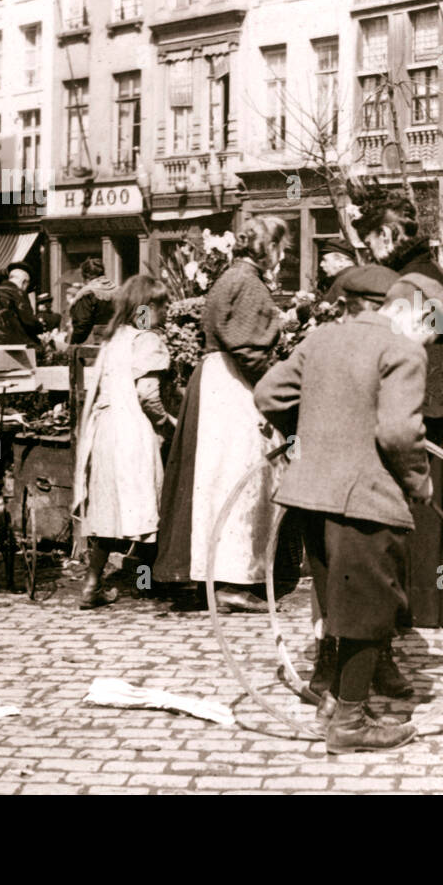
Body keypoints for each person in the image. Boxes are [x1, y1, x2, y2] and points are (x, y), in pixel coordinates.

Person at [254, 274, 443, 753]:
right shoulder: (403, 350)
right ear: (411, 314)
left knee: (339, 607)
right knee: (367, 612)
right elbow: (399, 434)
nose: (428, 341)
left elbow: (269, 395)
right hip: (366, 500)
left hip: (309, 499)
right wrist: (419, 482)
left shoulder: (321, 338)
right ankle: (351, 725)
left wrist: (317, 439)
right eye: (430, 328)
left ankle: (334, 704)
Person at [356, 193, 443, 695]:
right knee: (442, 515)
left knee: (418, 513)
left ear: (387, 237)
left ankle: (416, 605)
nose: (367, 252)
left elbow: (393, 354)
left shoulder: (405, 285)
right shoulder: (433, 272)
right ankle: (441, 603)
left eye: (369, 241)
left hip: (420, 409)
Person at [154, 216, 290, 611]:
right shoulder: (249, 284)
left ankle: (211, 577)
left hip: (214, 381)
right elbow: (249, 350)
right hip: (233, 386)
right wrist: (281, 383)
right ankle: (231, 583)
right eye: (280, 249)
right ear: (268, 248)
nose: (281, 258)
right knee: (239, 481)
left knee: (211, 483)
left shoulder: (228, 279)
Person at [72, 276, 176, 609]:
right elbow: (147, 395)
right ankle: (145, 583)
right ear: (147, 308)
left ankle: (91, 584)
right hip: (132, 431)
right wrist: (168, 423)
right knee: (147, 504)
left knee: (108, 508)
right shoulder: (146, 341)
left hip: (105, 431)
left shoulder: (114, 338)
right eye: (161, 305)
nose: (166, 311)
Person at [0, 261, 44, 345]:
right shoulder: (16, 293)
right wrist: (40, 327)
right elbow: (28, 321)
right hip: (10, 344)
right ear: (24, 283)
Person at [70, 258, 117, 345]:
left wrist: (73, 343)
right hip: (117, 341)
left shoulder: (87, 293)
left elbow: (82, 324)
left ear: (84, 276)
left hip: (93, 344)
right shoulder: (119, 290)